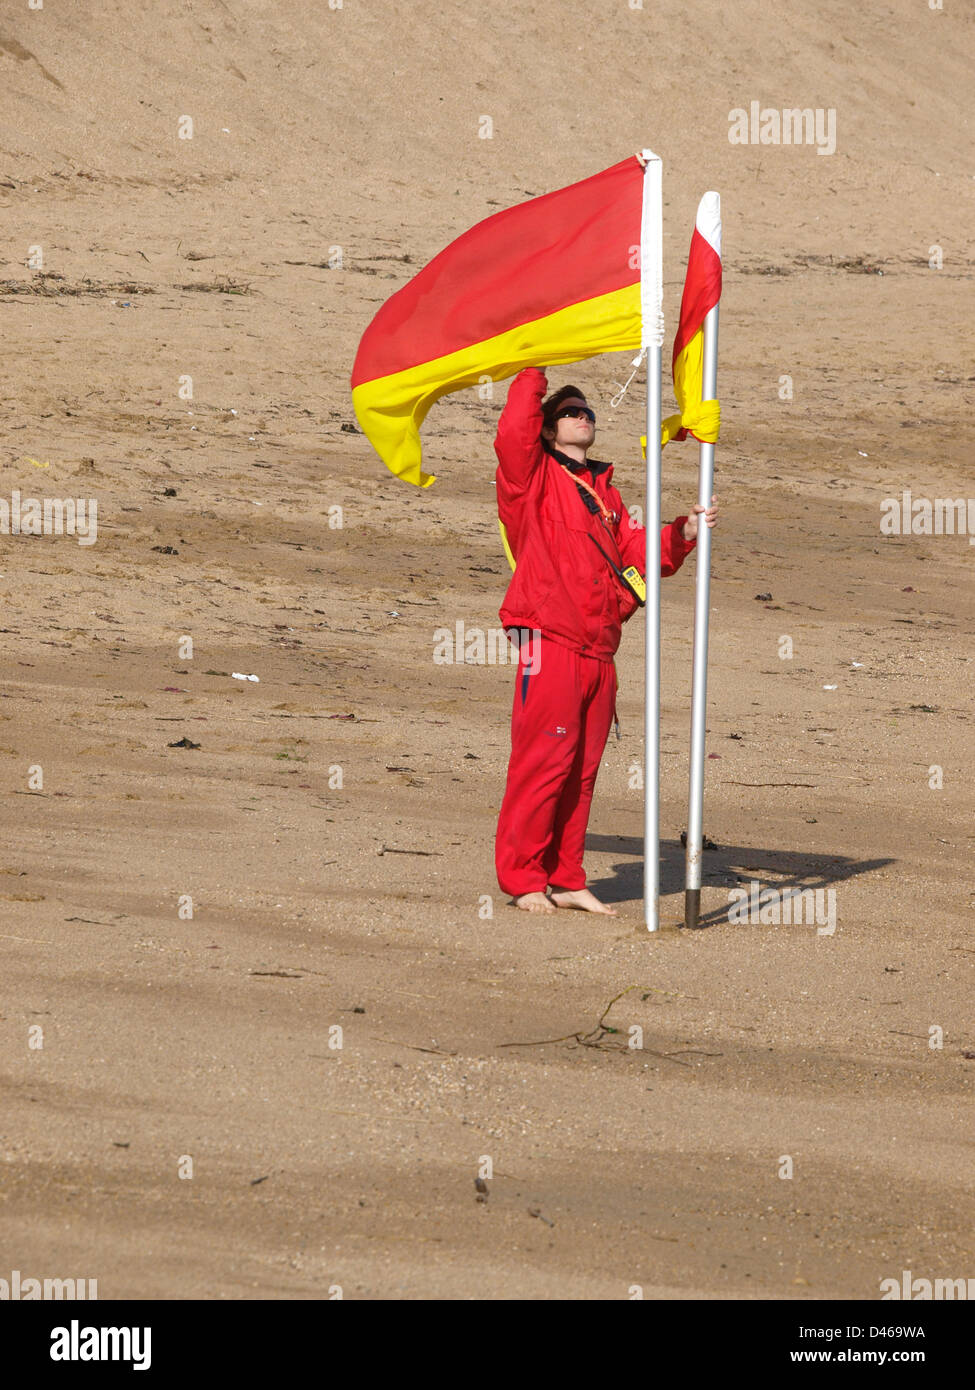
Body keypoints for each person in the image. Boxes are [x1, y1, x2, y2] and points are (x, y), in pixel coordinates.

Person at [493, 367, 718, 915]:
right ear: (548, 430)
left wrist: (682, 534)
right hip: (550, 640)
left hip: (600, 650)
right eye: (571, 412)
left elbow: (639, 554)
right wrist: (534, 361)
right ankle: (524, 879)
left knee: (582, 770)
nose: (583, 417)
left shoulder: (607, 495)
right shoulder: (532, 477)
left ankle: (566, 877)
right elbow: (511, 434)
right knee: (543, 761)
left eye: (588, 411)